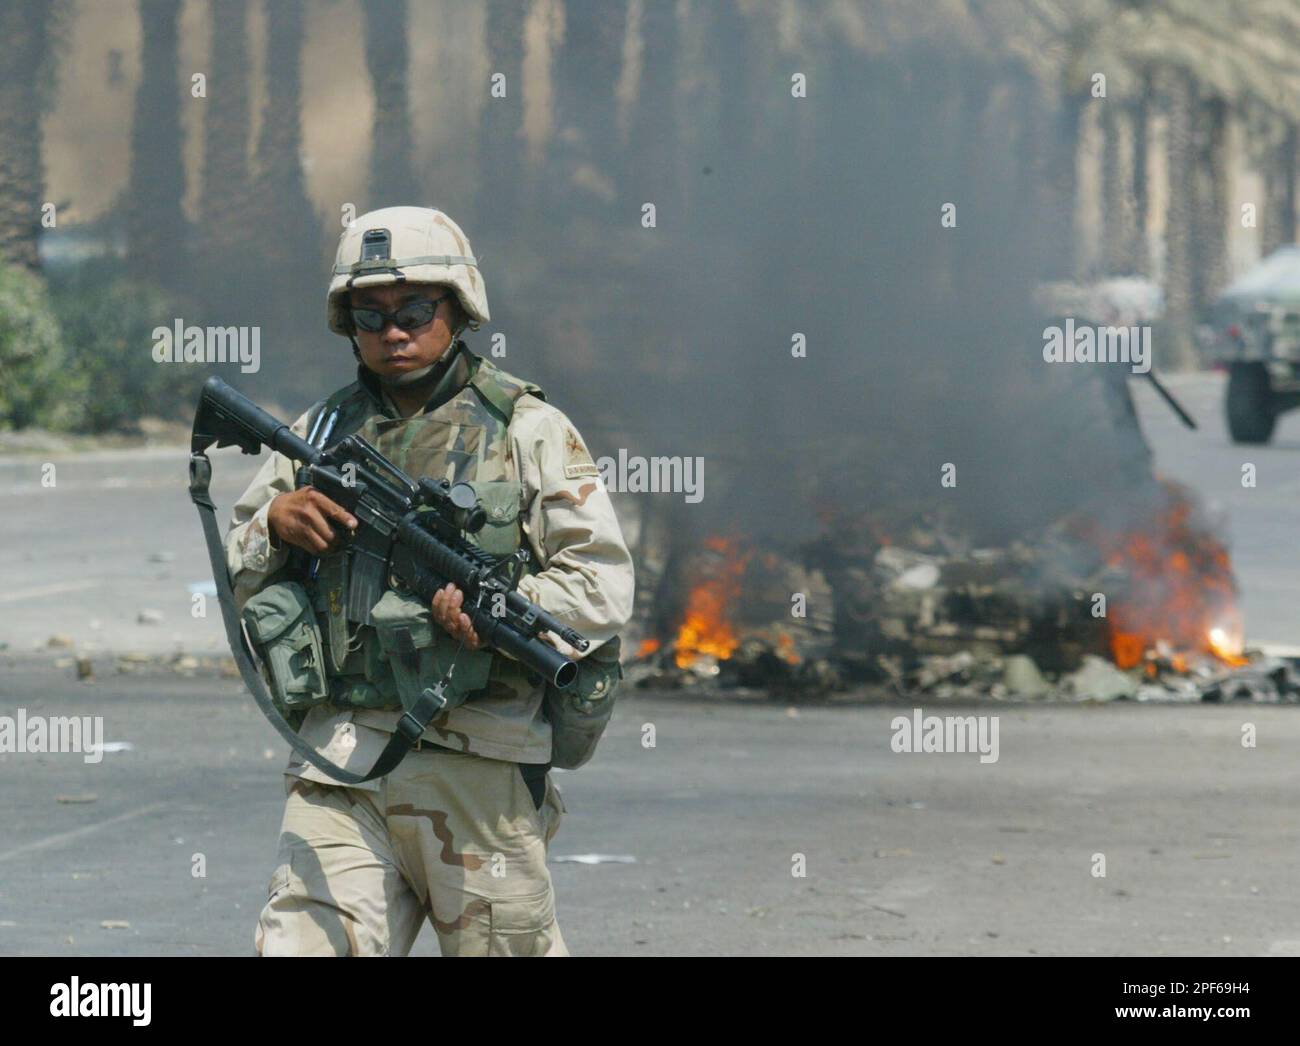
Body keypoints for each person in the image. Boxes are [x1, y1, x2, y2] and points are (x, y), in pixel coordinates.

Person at [224, 206, 635, 956]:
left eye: (414, 310)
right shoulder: (317, 434)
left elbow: (601, 587)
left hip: (478, 767)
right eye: (368, 314)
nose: (393, 332)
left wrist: (506, 612)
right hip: (344, 762)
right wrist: (274, 523)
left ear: (459, 309)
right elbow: (233, 570)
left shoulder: (528, 429)